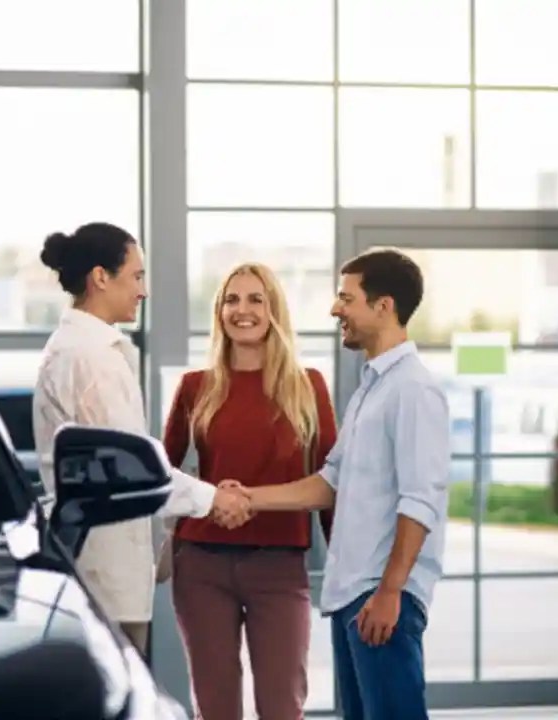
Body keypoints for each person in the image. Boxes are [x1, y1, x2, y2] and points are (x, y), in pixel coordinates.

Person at [222, 248, 449, 720]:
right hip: (354, 597)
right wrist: (245, 496)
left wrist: (390, 592)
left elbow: (421, 501)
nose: (334, 309)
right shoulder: (372, 388)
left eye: (346, 298)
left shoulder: (413, 390)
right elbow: (329, 483)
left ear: (383, 306)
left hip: (383, 597)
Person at [32, 221, 254, 654]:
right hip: (104, 579)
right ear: (101, 277)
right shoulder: (87, 357)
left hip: (109, 571)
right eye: (136, 276)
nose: (143, 291)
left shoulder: (90, 350)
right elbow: (129, 469)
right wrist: (213, 500)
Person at [161, 262, 337, 720]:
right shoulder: (195, 388)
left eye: (256, 299)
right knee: (216, 710)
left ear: (274, 309)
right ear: (219, 312)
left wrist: (348, 568)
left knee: (282, 707)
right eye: (231, 300)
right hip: (201, 565)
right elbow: (163, 475)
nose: (243, 310)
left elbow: (332, 482)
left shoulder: (308, 386)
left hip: (279, 567)